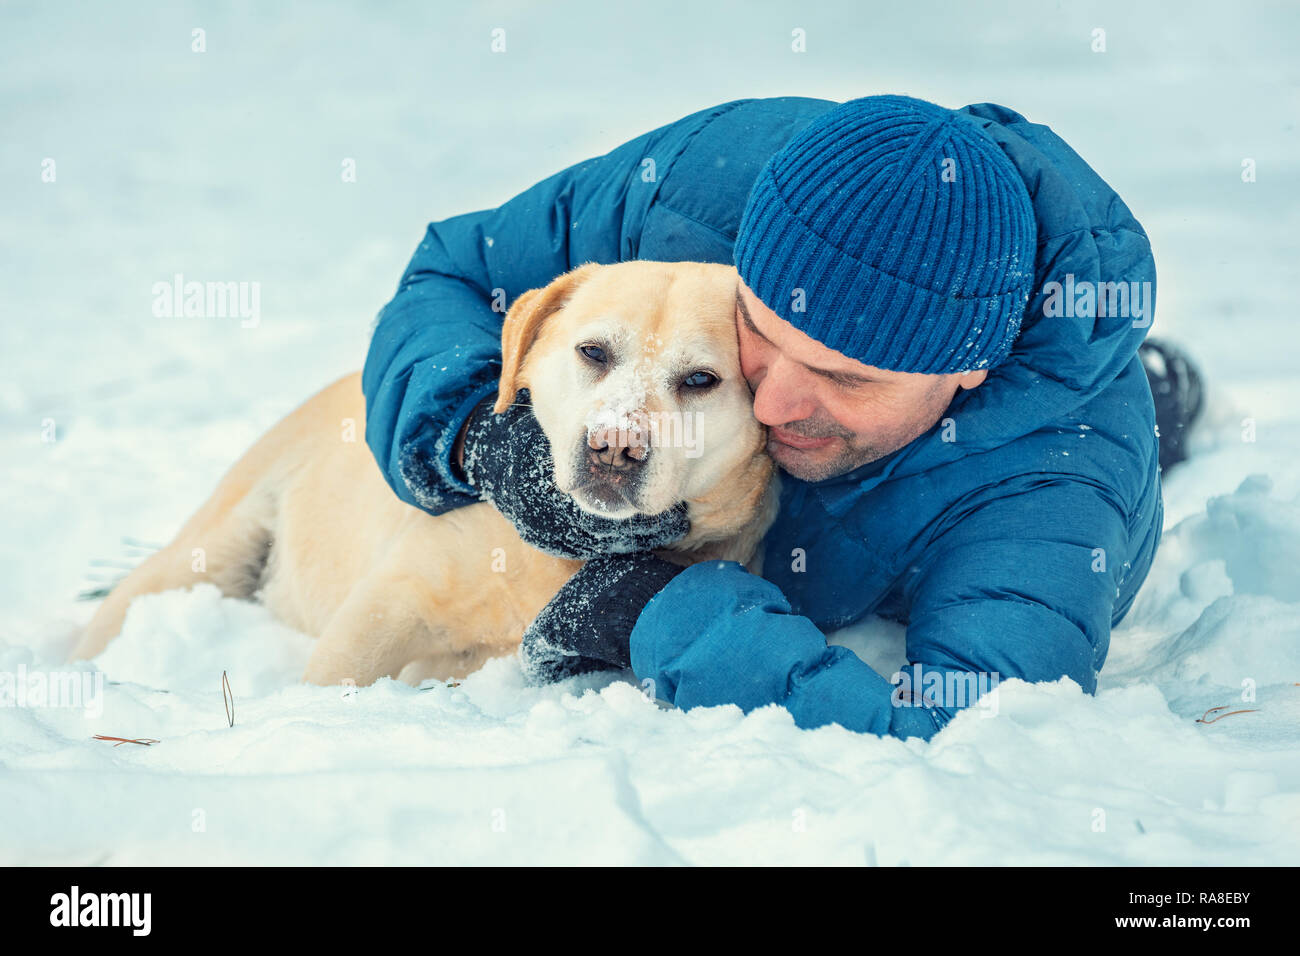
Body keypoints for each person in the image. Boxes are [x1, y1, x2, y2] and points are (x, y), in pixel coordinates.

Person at [362, 95, 1203, 741]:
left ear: (964, 370)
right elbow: (457, 271)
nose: (771, 404)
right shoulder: (711, 188)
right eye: (759, 332)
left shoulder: (1052, 496)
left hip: (995, 481)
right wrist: (479, 434)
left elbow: (960, 747)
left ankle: (1162, 397)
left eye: (844, 376)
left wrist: (661, 609)